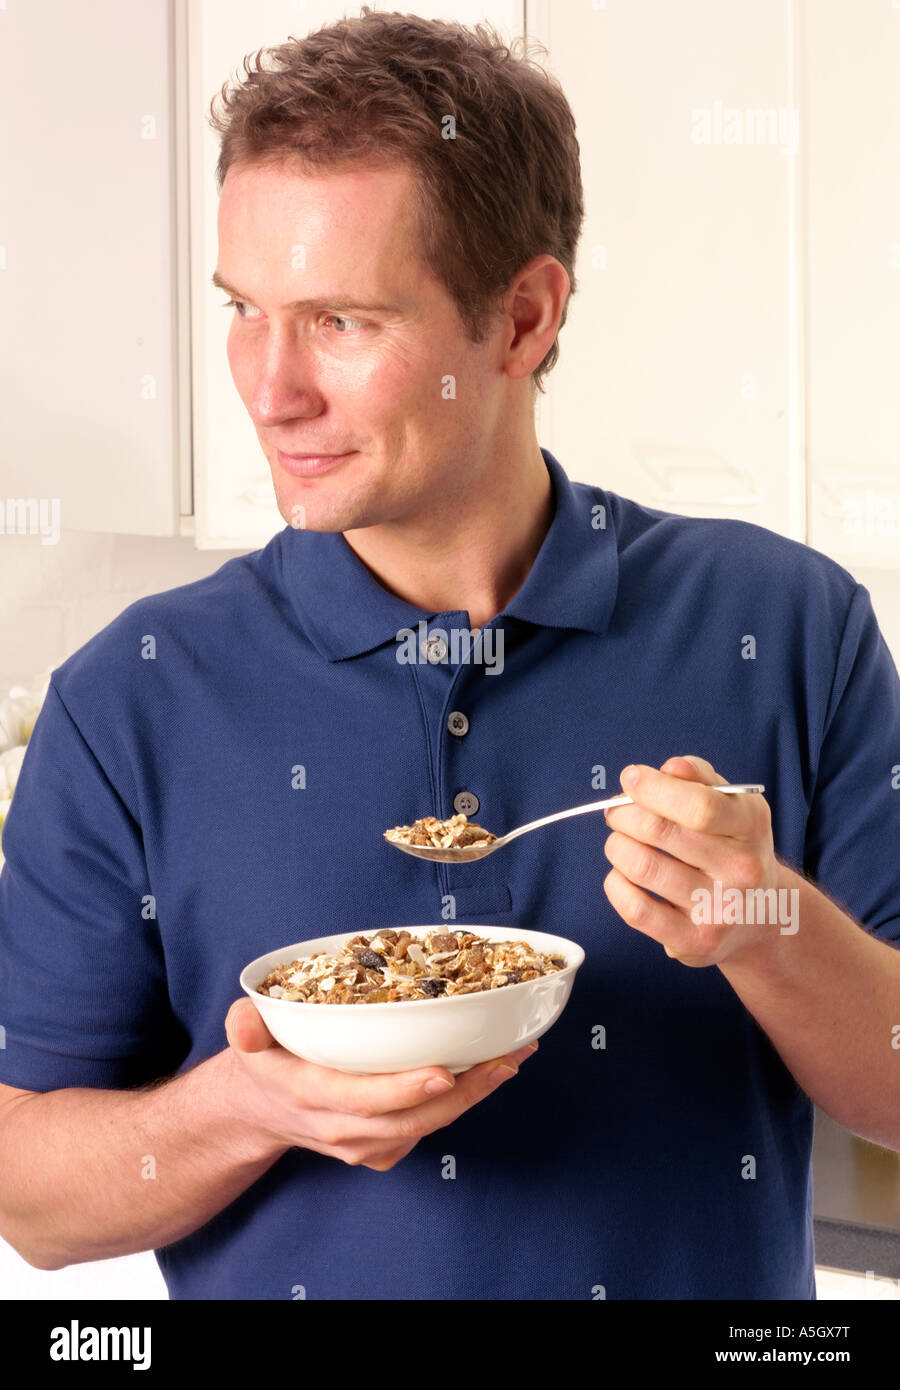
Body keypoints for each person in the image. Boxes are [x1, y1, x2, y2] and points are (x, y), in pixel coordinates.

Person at [0, 8, 898, 1301]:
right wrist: (251, 1106)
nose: (267, 386)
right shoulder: (131, 695)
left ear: (524, 318)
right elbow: (31, 1198)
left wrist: (764, 923)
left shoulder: (789, 625)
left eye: (342, 322)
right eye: (244, 309)